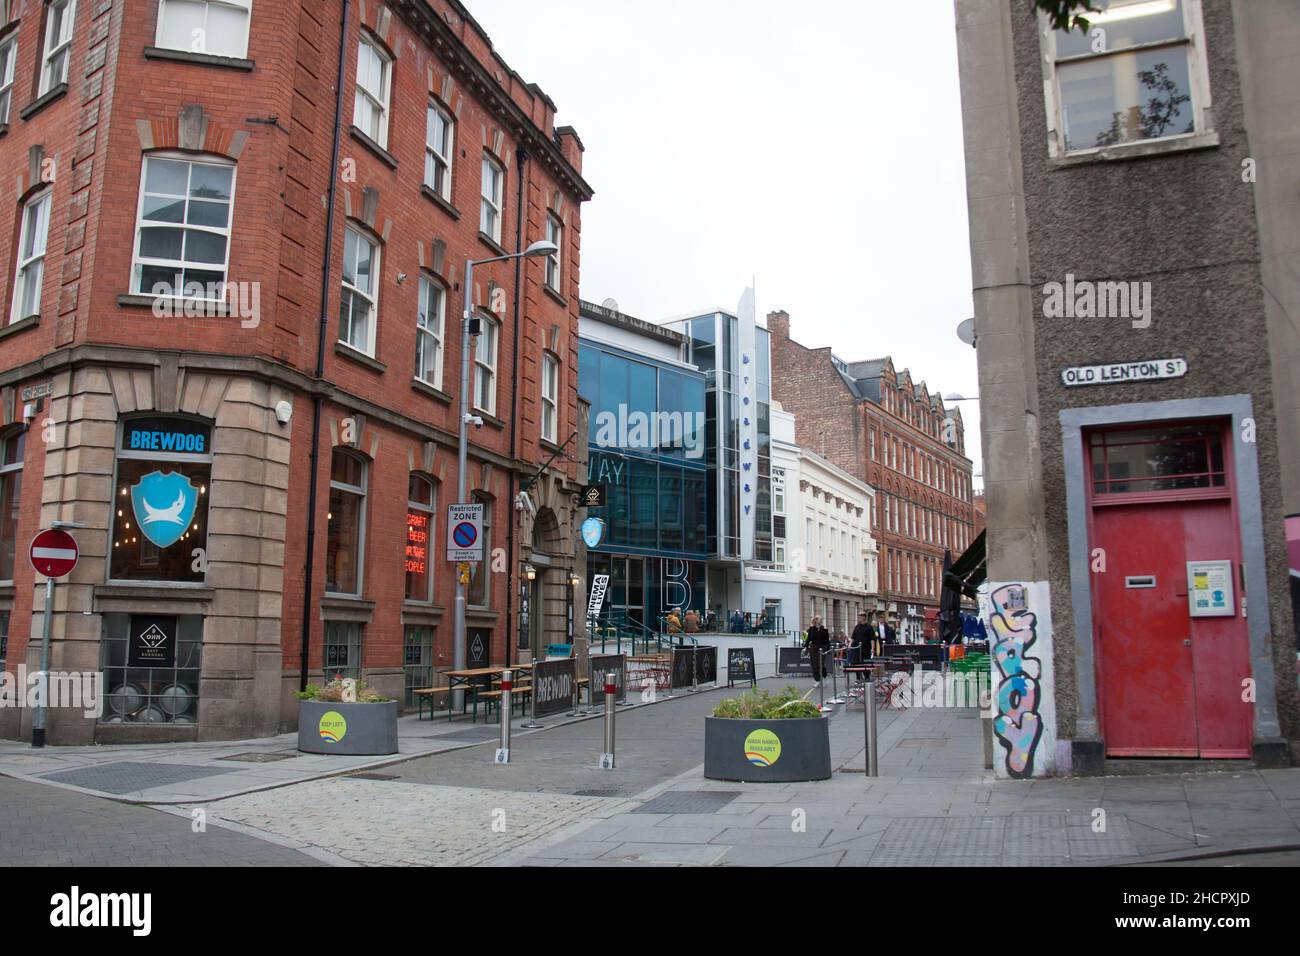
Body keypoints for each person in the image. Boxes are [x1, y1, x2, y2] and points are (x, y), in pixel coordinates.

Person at [805, 615, 831, 684]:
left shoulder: (824, 629)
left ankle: (824, 676)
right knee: (814, 664)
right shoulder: (812, 629)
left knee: (821, 663)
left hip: (822, 647)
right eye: (819, 619)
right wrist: (805, 647)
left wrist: (828, 649)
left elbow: (827, 641)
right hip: (813, 647)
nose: (821, 621)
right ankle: (818, 680)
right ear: (816, 620)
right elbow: (808, 639)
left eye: (821, 620)